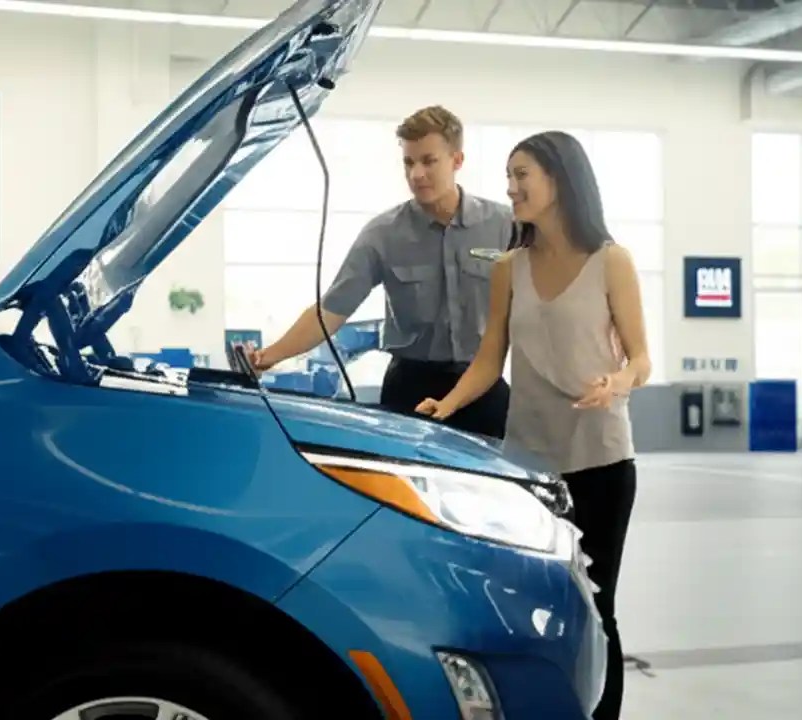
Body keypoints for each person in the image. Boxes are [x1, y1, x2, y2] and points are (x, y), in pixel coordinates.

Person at [414, 130, 650, 720]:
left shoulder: (611, 261)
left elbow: (642, 359)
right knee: (529, 606)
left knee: (596, 608)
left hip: (600, 458)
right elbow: (489, 359)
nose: (511, 188)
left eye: (522, 175)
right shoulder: (509, 268)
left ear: (560, 180)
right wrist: (447, 404)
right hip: (529, 469)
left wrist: (617, 382)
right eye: (509, 176)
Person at [245, 105, 515, 439]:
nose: (416, 174)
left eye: (428, 161)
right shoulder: (383, 234)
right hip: (410, 391)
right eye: (408, 162)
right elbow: (330, 311)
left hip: (482, 388)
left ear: (457, 160)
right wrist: (268, 357)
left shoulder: (505, 225)